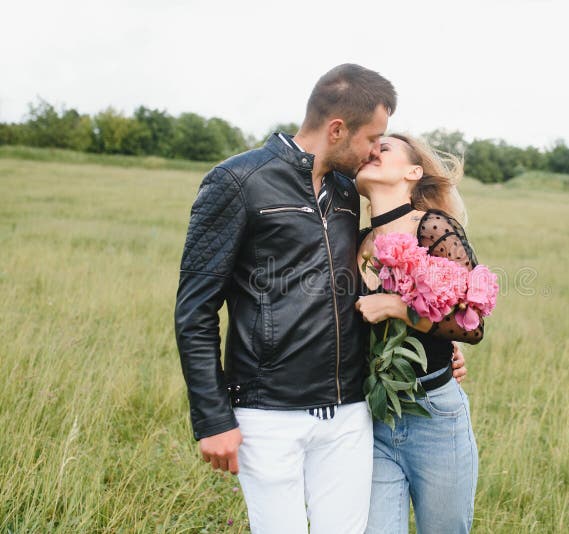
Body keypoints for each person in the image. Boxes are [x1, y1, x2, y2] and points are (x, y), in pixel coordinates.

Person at [174, 64, 465, 534]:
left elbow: (368, 288)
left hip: (350, 412)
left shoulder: (350, 193)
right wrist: (211, 418)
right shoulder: (237, 182)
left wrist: (437, 347)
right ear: (336, 129)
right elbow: (195, 309)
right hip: (267, 411)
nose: (376, 149)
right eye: (373, 136)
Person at [354, 134, 484, 534]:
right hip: (373, 417)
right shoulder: (358, 243)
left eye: (385, 147)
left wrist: (398, 307)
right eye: (370, 147)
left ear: (413, 172)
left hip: (435, 416)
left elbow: (473, 323)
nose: (373, 150)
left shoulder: (434, 228)